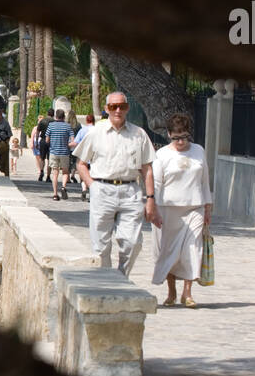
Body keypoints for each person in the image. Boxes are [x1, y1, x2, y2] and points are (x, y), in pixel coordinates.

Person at [73, 92, 158, 276]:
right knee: (100, 246)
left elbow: (147, 169)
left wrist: (150, 198)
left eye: (122, 106)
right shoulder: (95, 132)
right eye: (113, 106)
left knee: (133, 242)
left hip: (130, 191)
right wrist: (92, 185)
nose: (118, 110)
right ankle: (105, 281)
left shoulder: (139, 134)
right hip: (102, 189)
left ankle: (121, 276)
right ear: (106, 109)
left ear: (127, 108)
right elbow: (81, 164)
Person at [149, 112, 212, 307]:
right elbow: (157, 184)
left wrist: (208, 207)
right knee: (168, 251)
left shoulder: (199, 151)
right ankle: (171, 292)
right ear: (169, 135)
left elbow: (205, 181)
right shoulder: (162, 155)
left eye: (184, 137)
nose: (180, 142)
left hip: (194, 207)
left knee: (192, 250)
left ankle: (188, 293)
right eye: (176, 138)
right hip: (168, 210)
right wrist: (154, 209)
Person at [43, 109, 75, 198]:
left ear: (55, 116)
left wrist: (52, 143)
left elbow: (47, 140)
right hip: (64, 152)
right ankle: (64, 187)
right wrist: (67, 145)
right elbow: (73, 141)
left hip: (53, 152)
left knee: (55, 173)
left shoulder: (51, 126)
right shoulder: (68, 126)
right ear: (64, 117)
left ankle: (55, 194)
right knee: (65, 172)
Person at [68, 112, 95, 201]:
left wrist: (67, 145)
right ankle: (92, 193)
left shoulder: (83, 130)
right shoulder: (97, 130)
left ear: (87, 121)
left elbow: (75, 142)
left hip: (84, 155)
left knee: (84, 174)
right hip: (95, 156)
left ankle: (84, 189)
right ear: (94, 121)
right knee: (93, 175)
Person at [32, 111, 50, 182]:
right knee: (49, 159)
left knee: (42, 158)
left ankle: (41, 171)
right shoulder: (53, 122)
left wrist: (36, 142)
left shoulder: (42, 122)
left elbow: (37, 132)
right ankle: (48, 176)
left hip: (42, 141)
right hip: (50, 141)